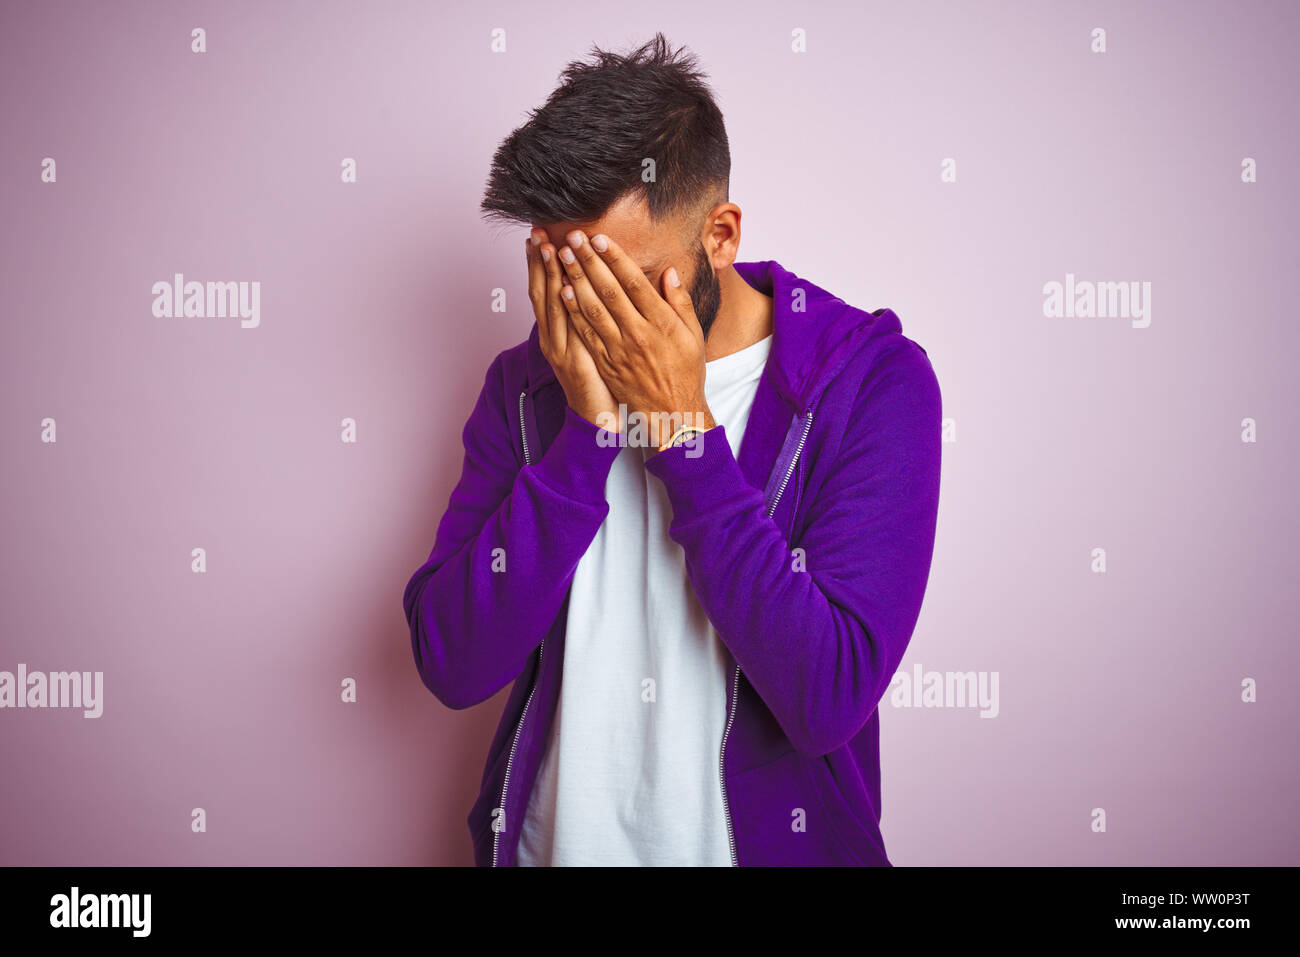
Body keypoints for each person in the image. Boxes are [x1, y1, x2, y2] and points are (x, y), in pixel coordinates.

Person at [402, 33, 942, 866]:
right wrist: (584, 436)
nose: (594, 316)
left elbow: (826, 694)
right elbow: (452, 660)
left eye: (623, 282)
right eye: (568, 278)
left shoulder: (869, 384)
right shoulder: (527, 387)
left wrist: (684, 431)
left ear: (719, 235)